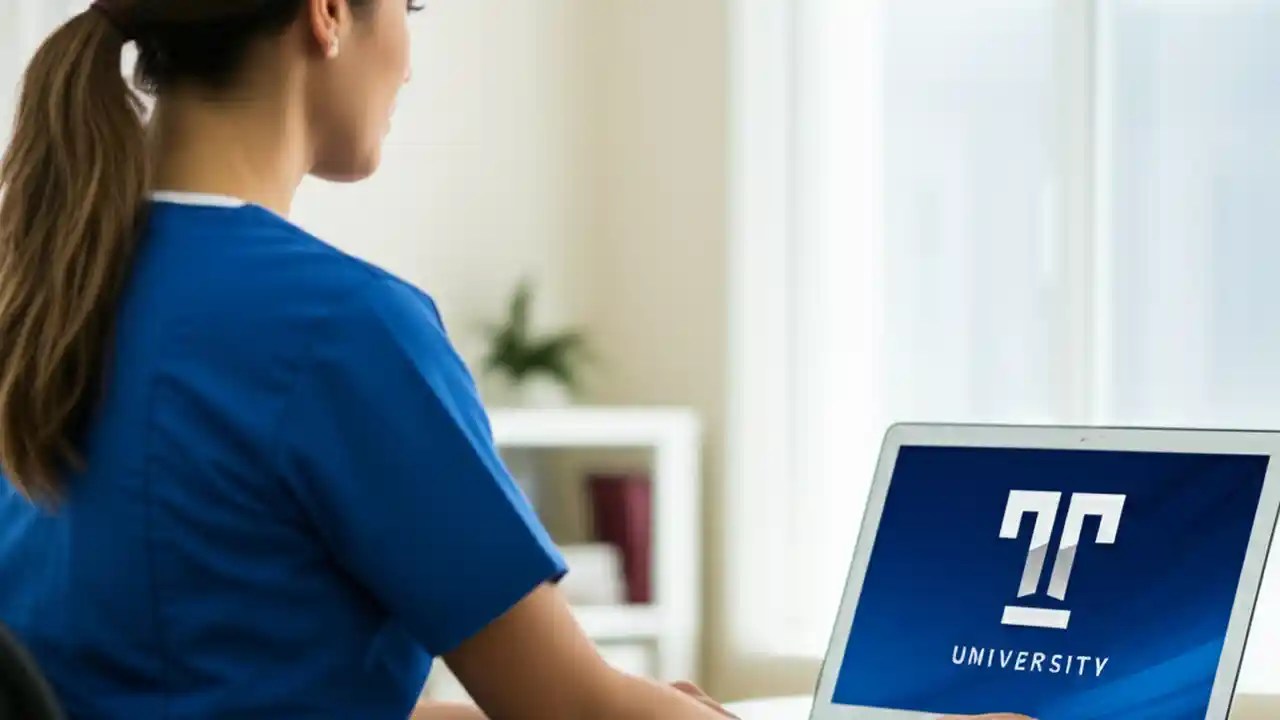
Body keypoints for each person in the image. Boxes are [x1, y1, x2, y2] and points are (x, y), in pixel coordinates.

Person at [0, 2, 1034, 719]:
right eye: (410, 6)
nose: (407, 53)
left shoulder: (39, 299)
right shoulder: (338, 328)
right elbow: (572, 706)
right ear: (326, 12)